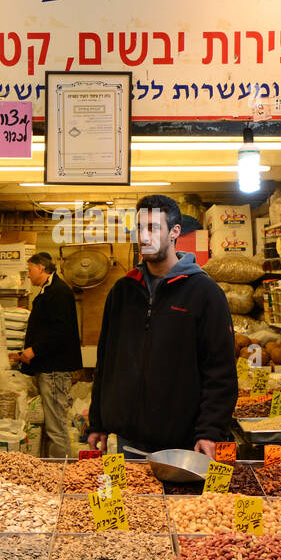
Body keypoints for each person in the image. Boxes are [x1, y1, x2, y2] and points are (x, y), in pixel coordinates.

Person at [87, 194, 237, 458]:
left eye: (153, 228)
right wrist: (98, 420)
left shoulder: (204, 293)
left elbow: (220, 370)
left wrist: (210, 430)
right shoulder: (122, 292)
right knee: (132, 501)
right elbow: (106, 363)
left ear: (174, 232)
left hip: (183, 441)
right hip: (127, 441)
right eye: (140, 229)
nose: (144, 238)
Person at [14, 252, 82, 458]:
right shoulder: (48, 290)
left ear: (41, 268)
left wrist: (34, 350)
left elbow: (60, 330)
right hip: (49, 367)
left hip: (55, 370)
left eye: (30, 270)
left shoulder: (58, 292)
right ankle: (55, 470)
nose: (29, 275)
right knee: (53, 424)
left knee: (56, 426)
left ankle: (62, 475)